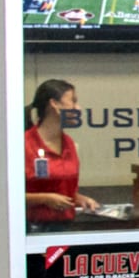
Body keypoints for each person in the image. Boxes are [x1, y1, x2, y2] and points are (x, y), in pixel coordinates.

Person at [25, 79, 97, 224]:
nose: (78, 108)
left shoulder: (70, 145)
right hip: (31, 229)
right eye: (73, 102)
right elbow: (6, 196)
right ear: (55, 104)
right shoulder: (23, 145)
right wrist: (45, 199)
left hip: (64, 227)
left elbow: (61, 187)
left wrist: (78, 199)